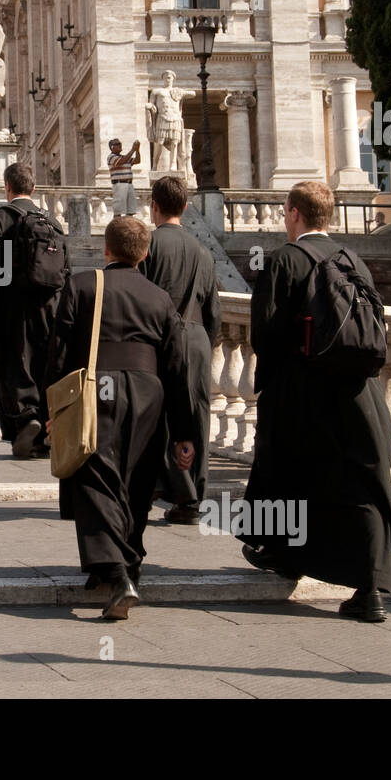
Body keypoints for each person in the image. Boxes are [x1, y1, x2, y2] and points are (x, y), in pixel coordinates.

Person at [237, 181, 391, 623]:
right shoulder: (352, 260)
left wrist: (271, 385)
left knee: (286, 467)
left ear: (293, 214)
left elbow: (264, 335)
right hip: (359, 390)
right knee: (361, 481)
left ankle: (280, 550)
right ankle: (370, 589)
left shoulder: (284, 260)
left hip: (302, 389)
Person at [45, 216, 200, 620]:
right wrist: (184, 432)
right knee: (137, 478)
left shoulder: (81, 285)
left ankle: (116, 572)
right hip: (149, 392)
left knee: (94, 476)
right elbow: (178, 367)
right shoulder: (160, 298)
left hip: (97, 390)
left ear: (106, 249)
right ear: (145, 253)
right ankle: (125, 563)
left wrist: (54, 409)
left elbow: (58, 351)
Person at [139, 175, 220, 523]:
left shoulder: (148, 245)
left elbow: (138, 297)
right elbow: (214, 307)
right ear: (186, 207)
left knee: (158, 412)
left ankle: (157, 484)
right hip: (198, 336)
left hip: (161, 336)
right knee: (196, 414)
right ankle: (191, 497)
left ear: (153, 206)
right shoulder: (203, 250)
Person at [0, 162, 69, 458]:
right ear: (34, 188)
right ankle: (42, 429)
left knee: (3, 367)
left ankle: (24, 420)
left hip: (11, 305)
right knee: (43, 365)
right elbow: (66, 268)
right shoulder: (52, 222)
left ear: (7, 187)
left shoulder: (0, 218)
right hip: (50, 307)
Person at [107, 138, 141, 217]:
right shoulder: (111, 157)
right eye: (117, 144)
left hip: (129, 184)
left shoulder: (125, 157)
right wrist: (132, 150)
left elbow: (137, 161)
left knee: (131, 210)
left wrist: (137, 150)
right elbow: (122, 161)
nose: (120, 145)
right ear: (112, 147)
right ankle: (116, 227)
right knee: (118, 211)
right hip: (119, 184)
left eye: (120, 143)